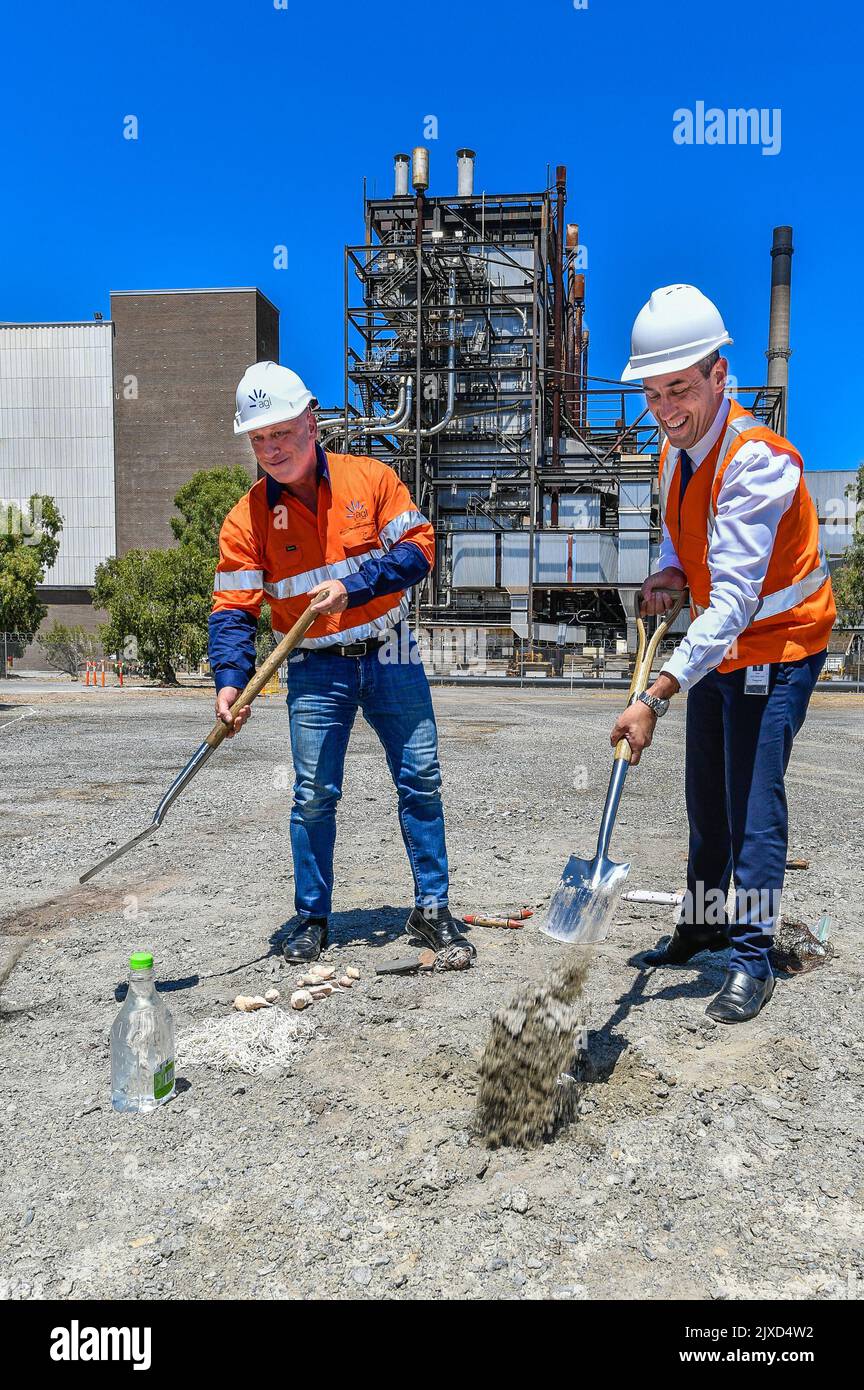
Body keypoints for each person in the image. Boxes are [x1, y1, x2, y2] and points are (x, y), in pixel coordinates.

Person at [611, 285, 835, 1023]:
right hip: (722, 645)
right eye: (651, 391)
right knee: (707, 800)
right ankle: (704, 921)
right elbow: (687, 538)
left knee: (751, 806)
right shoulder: (676, 455)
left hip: (781, 640)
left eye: (679, 387)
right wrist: (671, 569)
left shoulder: (758, 463)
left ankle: (751, 955)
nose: (664, 406)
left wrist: (653, 694)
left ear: (718, 374)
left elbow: (737, 599)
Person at [208, 360, 474, 966]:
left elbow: (419, 550)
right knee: (313, 794)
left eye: (280, 432)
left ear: (311, 421)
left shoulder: (369, 480)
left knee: (421, 780)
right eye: (258, 439)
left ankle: (432, 910)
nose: (271, 448)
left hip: (391, 648)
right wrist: (230, 683)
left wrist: (354, 586)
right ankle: (312, 918)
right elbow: (232, 611)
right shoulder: (246, 520)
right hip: (313, 665)